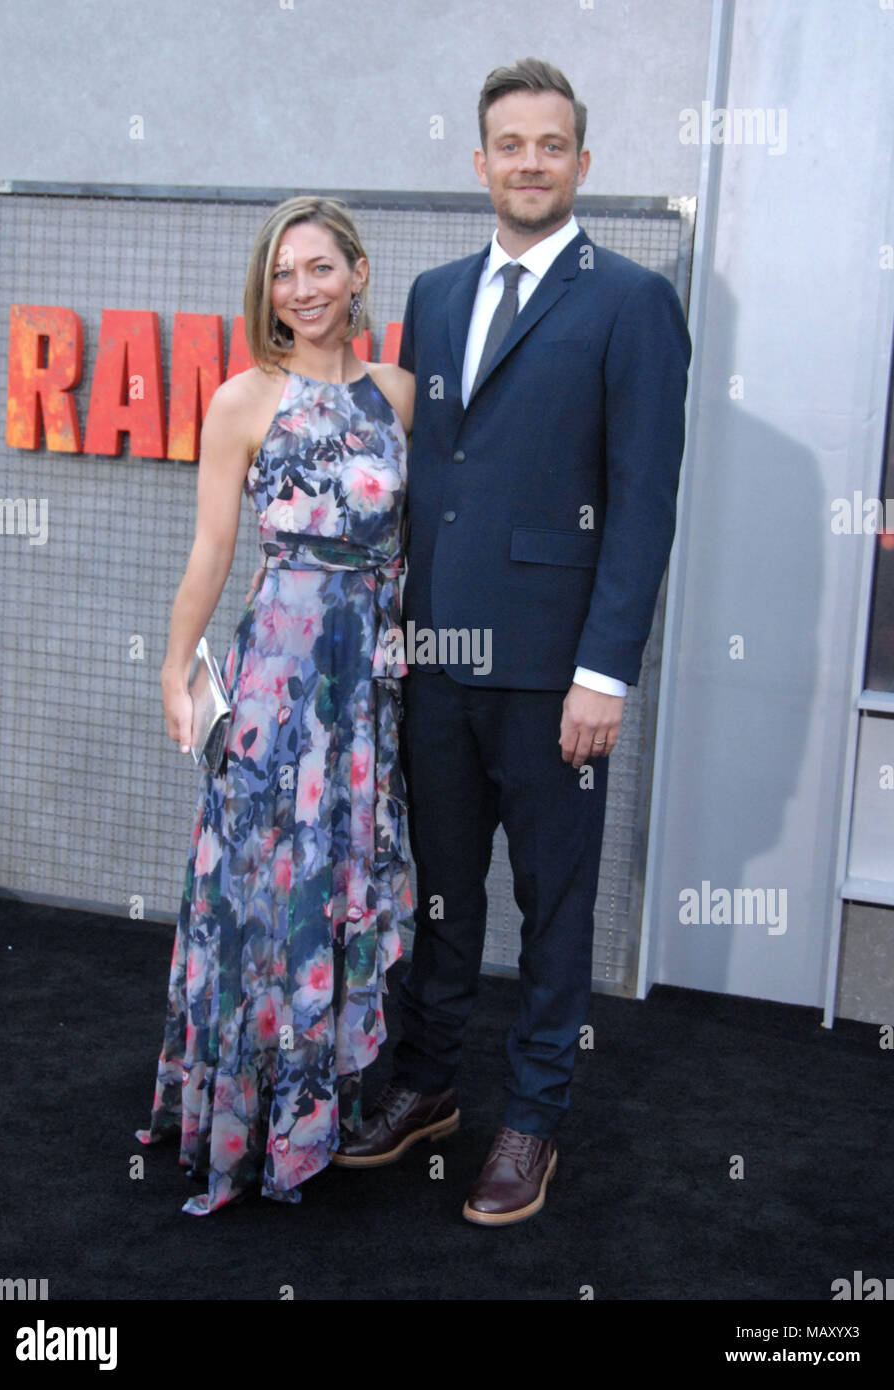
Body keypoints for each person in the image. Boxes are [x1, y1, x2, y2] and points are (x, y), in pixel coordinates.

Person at [333, 59, 691, 1225]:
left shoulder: (630, 302)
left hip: (552, 678)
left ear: (580, 165)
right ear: (478, 159)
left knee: (551, 904)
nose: (528, 163)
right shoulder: (434, 295)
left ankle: (531, 1117)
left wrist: (603, 672)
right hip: (433, 661)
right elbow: (432, 476)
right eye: (509, 144)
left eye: (550, 145)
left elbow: (640, 503)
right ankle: (429, 1085)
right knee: (438, 893)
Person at [135, 196, 416, 1216]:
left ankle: (317, 1104)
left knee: (336, 874)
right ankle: (242, 1115)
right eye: (282, 274)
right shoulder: (243, 398)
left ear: (357, 272)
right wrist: (175, 669)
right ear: (267, 290)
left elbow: (418, 543)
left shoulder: (398, 394)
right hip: (270, 681)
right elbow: (212, 549)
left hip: (362, 687)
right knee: (256, 888)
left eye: (318, 268)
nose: (300, 288)